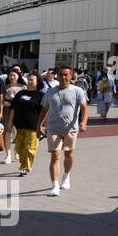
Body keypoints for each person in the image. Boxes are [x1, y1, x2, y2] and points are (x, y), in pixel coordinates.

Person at [38, 66, 89, 197]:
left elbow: (84, 108)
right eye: (61, 75)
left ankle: (66, 176)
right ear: (57, 76)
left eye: (66, 75)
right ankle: (55, 185)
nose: (63, 77)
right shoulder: (50, 92)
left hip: (71, 129)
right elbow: (44, 110)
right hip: (53, 128)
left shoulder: (78, 91)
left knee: (69, 155)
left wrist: (83, 122)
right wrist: (39, 126)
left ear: (71, 76)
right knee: (55, 156)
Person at [6, 73, 45, 176]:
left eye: (32, 80)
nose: (29, 81)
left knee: (30, 148)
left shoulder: (41, 95)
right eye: (29, 79)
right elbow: (13, 109)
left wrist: (42, 125)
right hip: (19, 125)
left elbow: (44, 112)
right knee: (19, 147)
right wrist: (10, 123)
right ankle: (24, 164)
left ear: (38, 82)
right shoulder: (21, 93)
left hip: (33, 126)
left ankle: (26, 167)